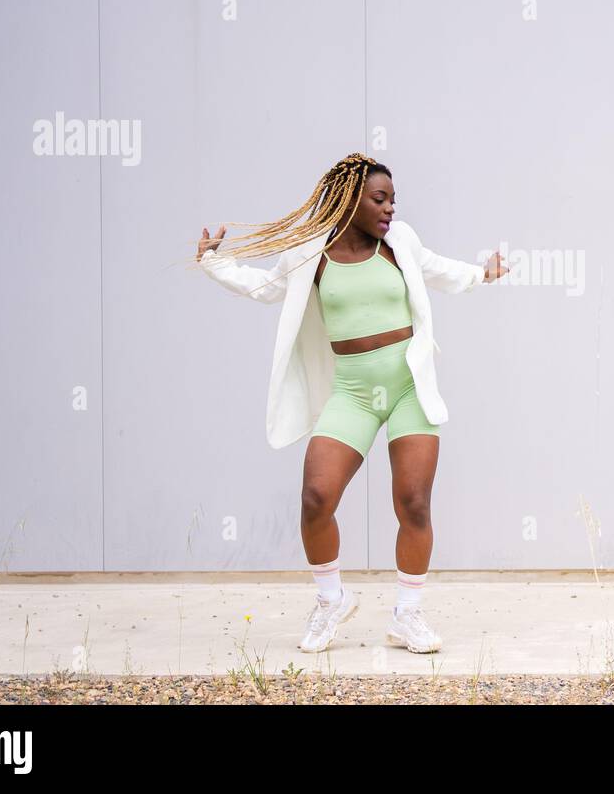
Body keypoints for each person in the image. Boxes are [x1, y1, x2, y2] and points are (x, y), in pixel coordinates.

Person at [196, 152, 506, 653]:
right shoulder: (309, 254)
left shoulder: (399, 243)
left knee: (413, 503)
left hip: (407, 386)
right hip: (354, 392)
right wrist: (214, 262)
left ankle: (407, 616)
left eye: (392, 200)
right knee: (316, 498)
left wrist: (482, 273)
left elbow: (437, 269)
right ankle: (331, 600)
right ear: (349, 199)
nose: (389, 209)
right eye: (379, 199)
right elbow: (264, 287)